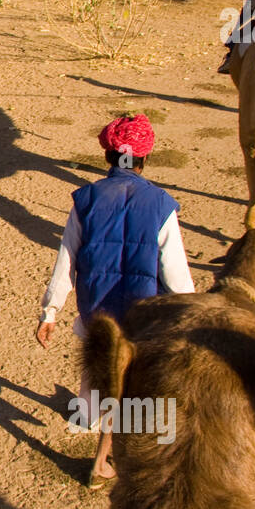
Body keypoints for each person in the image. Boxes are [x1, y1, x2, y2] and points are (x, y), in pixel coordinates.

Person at [34, 115, 195, 486]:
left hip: (96, 309)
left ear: (107, 155)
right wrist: (187, 318)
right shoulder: (161, 205)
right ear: (144, 159)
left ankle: (87, 417)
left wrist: (50, 311)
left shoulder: (86, 200)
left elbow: (67, 260)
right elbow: (175, 275)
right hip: (143, 316)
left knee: (95, 358)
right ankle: (108, 453)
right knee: (132, 380)